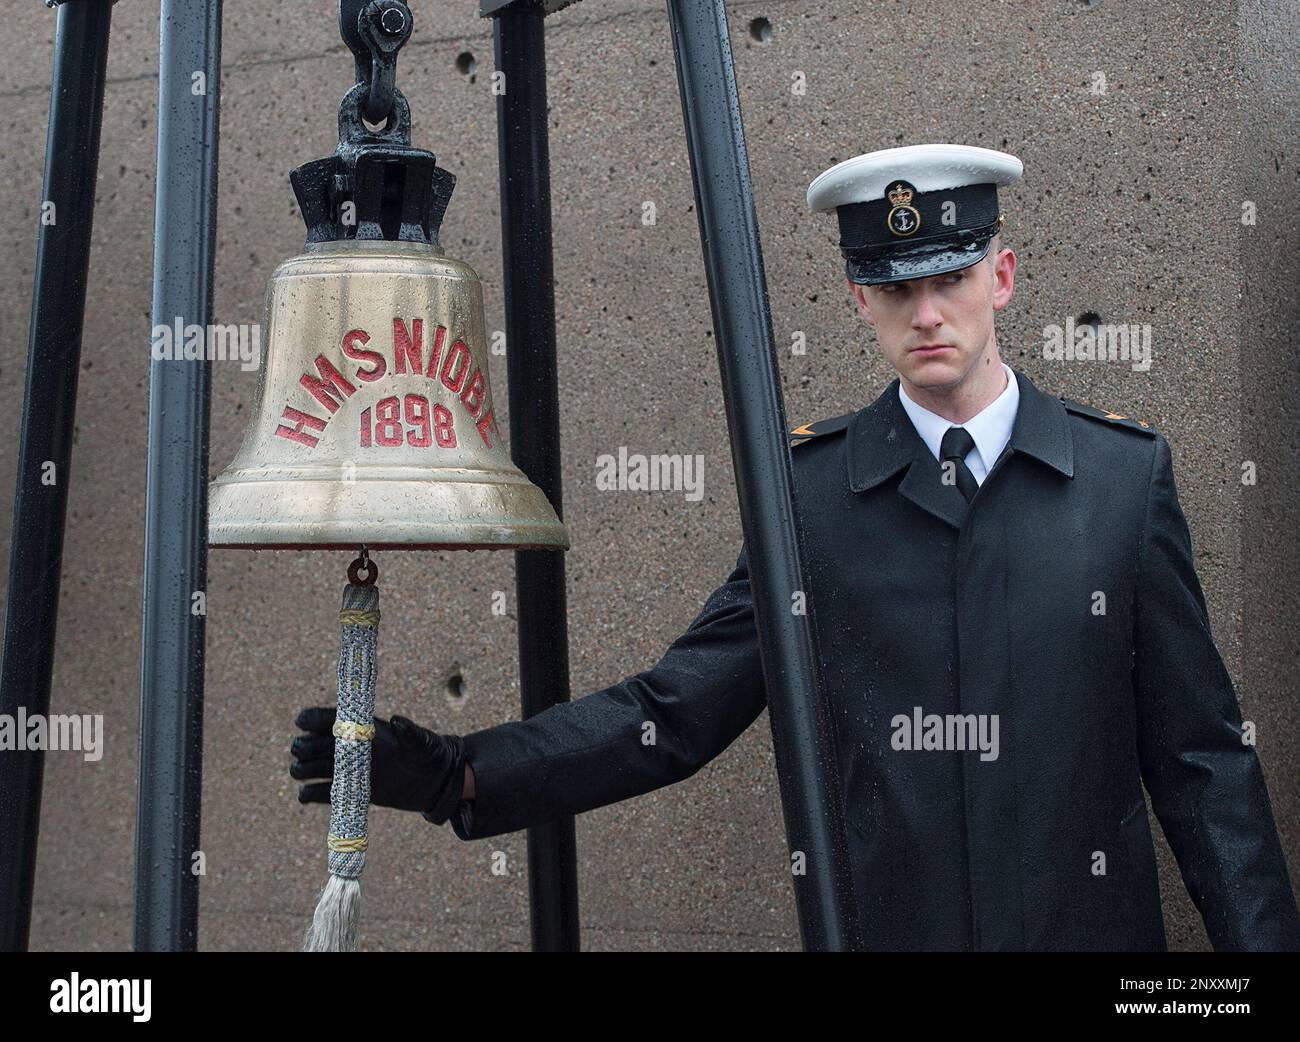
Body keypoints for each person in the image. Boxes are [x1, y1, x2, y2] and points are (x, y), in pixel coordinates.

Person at [291, 143, 1300, 951]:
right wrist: (464, 773)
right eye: (893, 287)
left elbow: (1200, 761)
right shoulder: (810, 498)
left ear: (1001, 274)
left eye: (949, 276)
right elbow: (678, 709)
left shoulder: (1121, 480)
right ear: (859, 298)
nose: (927, 311)